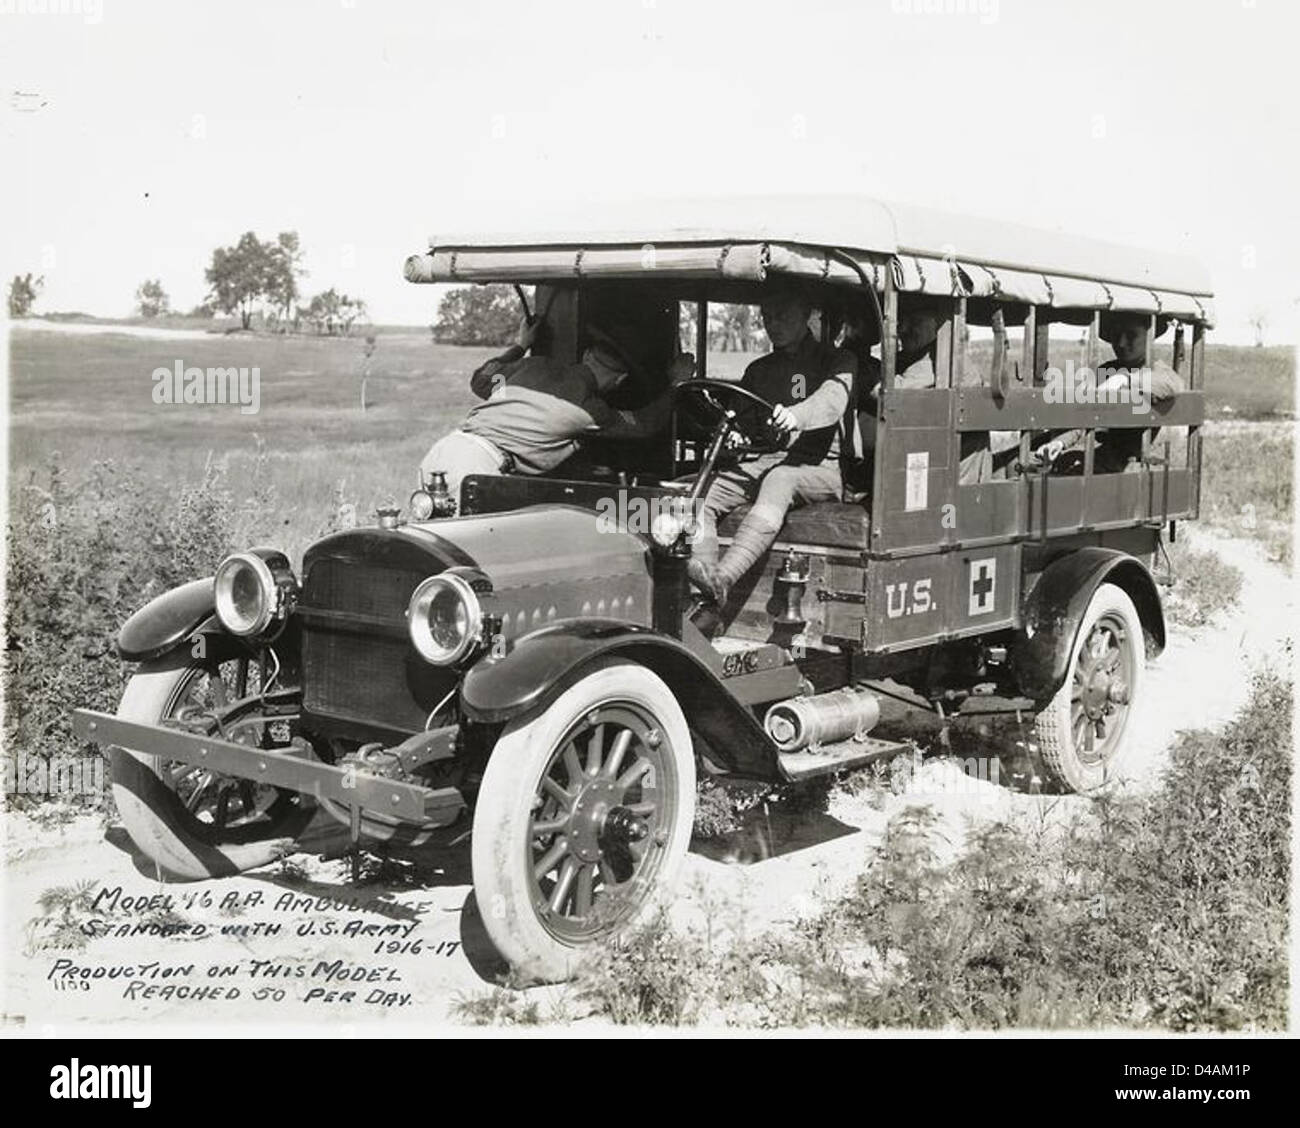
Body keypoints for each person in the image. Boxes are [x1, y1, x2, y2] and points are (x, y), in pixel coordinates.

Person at [687, 288, 857, 606]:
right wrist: (738, 435)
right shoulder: (759, 369)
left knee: (781, 479)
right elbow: (744, 418)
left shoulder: (838, 360)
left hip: (820, 466)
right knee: (704, 492)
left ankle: (724, 578)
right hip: (768, 461)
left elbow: (832, 402)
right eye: (767, 317)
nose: (773, 324)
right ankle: (704, 588)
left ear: (807, 315)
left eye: (782, 316)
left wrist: (796, 415)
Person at [419, 318, 695, 504]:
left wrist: (521, 345)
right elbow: (645, 425)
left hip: (444, 451)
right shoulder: (589, 411)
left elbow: (482, 378)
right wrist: (676, 383)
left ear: (586, 355)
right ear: (620, 381)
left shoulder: (532, 366)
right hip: (475, 471)